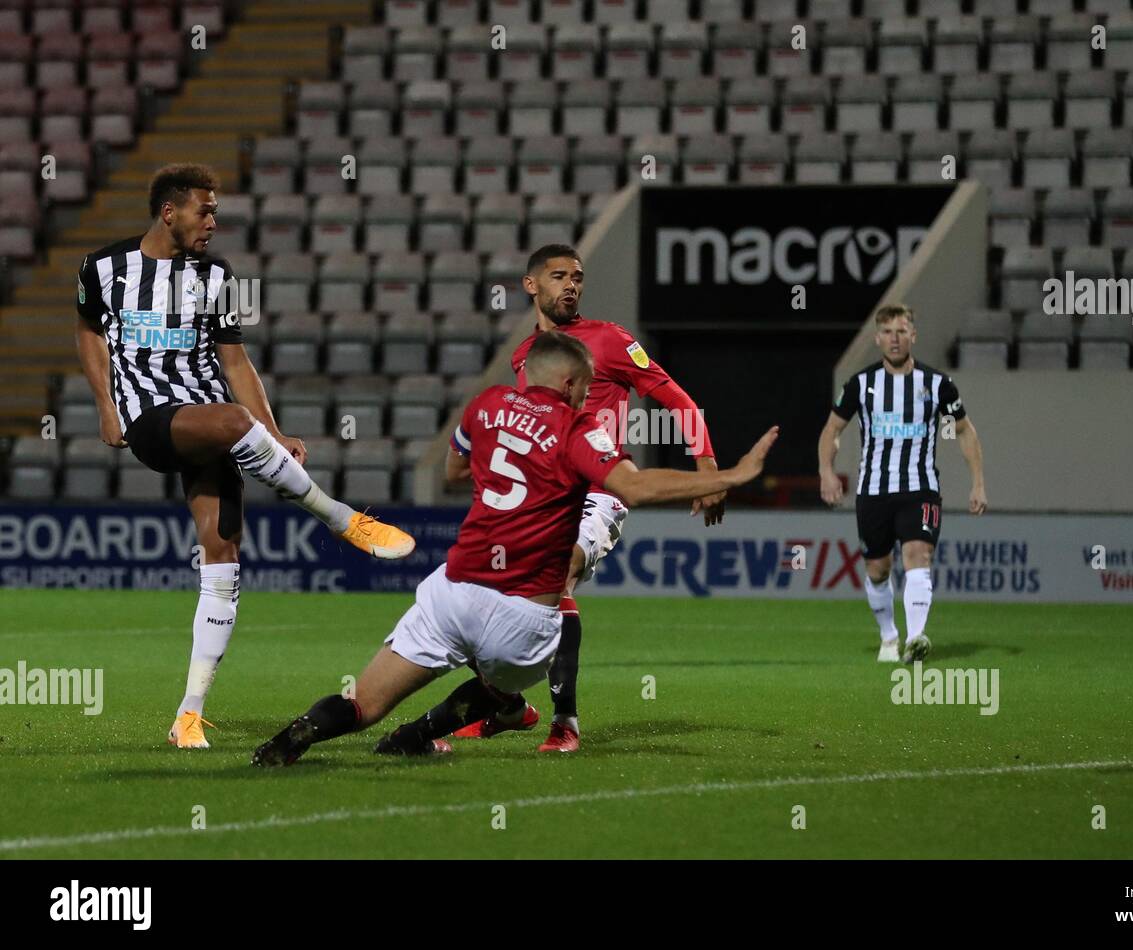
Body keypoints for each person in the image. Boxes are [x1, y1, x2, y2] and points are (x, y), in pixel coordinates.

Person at [252, 331, 777, 766]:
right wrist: (733, 474)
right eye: (586, 388)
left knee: (362, 703)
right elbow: (633, 488)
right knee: (501, 690)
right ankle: (432, 732)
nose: (585, 397)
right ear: (570, 383)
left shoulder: (486, 405)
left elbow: (454, 471)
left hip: (452, 592)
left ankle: (287, 742)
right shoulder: (579, 429)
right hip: (521, 616)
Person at [74, 163, 414, 750]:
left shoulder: (216, 275)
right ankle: (340, 518)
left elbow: (234, 362)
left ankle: (188, 713)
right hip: (151, 419)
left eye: (215, 212)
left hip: (209, 425)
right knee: (236, 421)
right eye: (204, 211)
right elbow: (87, 331)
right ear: (169, 212)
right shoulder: (103, 268)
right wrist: (105, 403)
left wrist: (275, 434)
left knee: (223, 556)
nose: (213, 222)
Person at [455, 244, 723, 753]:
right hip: (541, 499)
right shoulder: (525, 358)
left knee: (560, 574)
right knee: (473, 592)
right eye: (558, 276)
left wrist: (706, 466)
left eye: (577, 277)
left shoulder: (611, 340)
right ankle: (511, 709)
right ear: (531, 285)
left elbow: (676, 399)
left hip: (601, 491)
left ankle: (566, 723)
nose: (571, 285)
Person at [817, 304, 987, 663]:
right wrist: (826, 471)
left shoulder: (938, 384)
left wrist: (978, 483)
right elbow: (832, 430)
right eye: (888, 332)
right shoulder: (860, 385)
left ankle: (916, 637)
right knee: (877, 569)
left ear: (914, 335)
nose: (895, 339)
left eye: (901, 330)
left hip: (920, 487)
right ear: (877, 338)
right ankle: (889, 637)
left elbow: (964, 430)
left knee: (918, 554)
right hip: (873, 492)